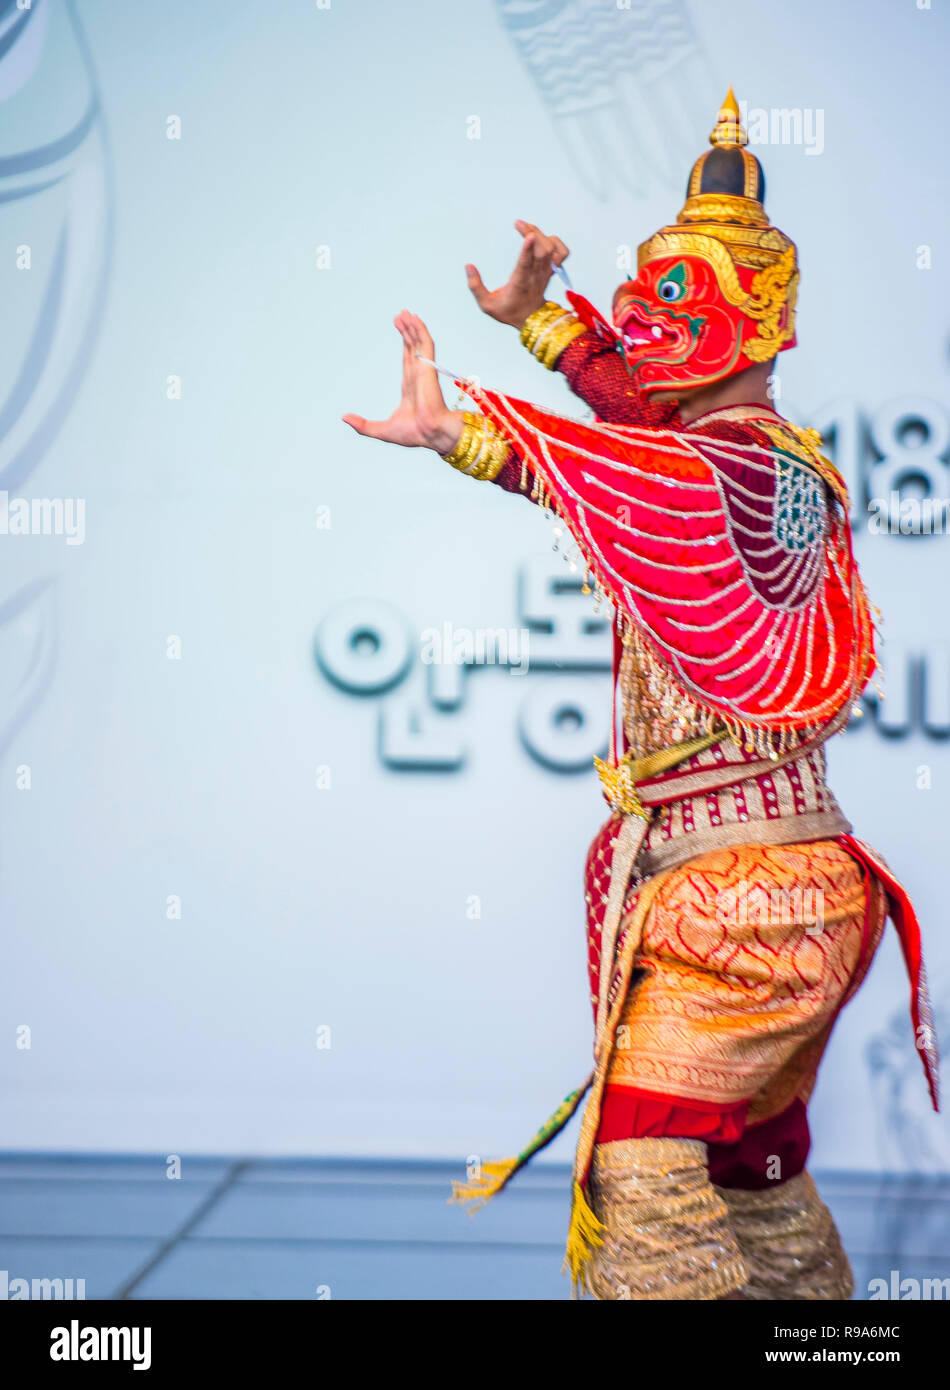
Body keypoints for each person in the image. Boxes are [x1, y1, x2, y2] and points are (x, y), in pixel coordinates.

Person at [343, 91, 938, 1301]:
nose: (635, 323)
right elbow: (635, 425)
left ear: (754, 319)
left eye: (672, 303)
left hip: (746, 906)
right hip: (763, 887)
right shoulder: (744, 452)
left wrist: (467, 430)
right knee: (747, 1182)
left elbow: (636, 471)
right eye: (636, 298)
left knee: (640, 1185)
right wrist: (542, 327)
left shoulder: (748, 472)